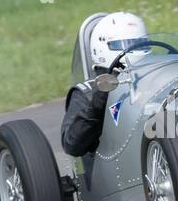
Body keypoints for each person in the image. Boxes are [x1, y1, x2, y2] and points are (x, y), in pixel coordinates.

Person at [61, 13, 150, 157]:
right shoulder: (88, 92)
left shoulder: (151, 77)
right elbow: (71, 145)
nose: (132, 51)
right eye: (121, 45)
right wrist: (96, 107)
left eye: (139, 44)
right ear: (101, 48)